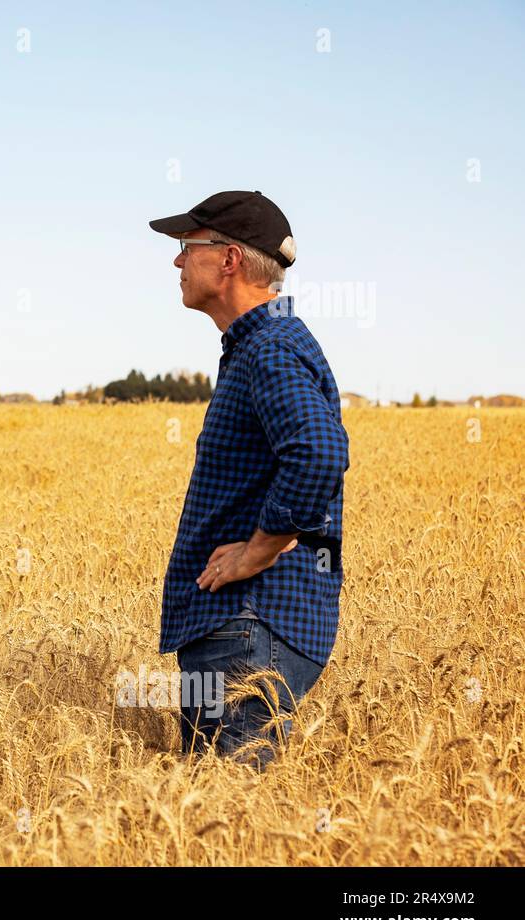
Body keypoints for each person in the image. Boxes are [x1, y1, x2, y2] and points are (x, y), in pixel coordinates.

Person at [148, 190, 349, 769]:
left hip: (247, 625)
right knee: (210, 810)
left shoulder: (269, 347)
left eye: (188, 246)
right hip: (240, 626)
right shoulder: (262, 344)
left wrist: (259, 552)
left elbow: (318, 453)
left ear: (230, 259)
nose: (178, 261)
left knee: (227, 822)